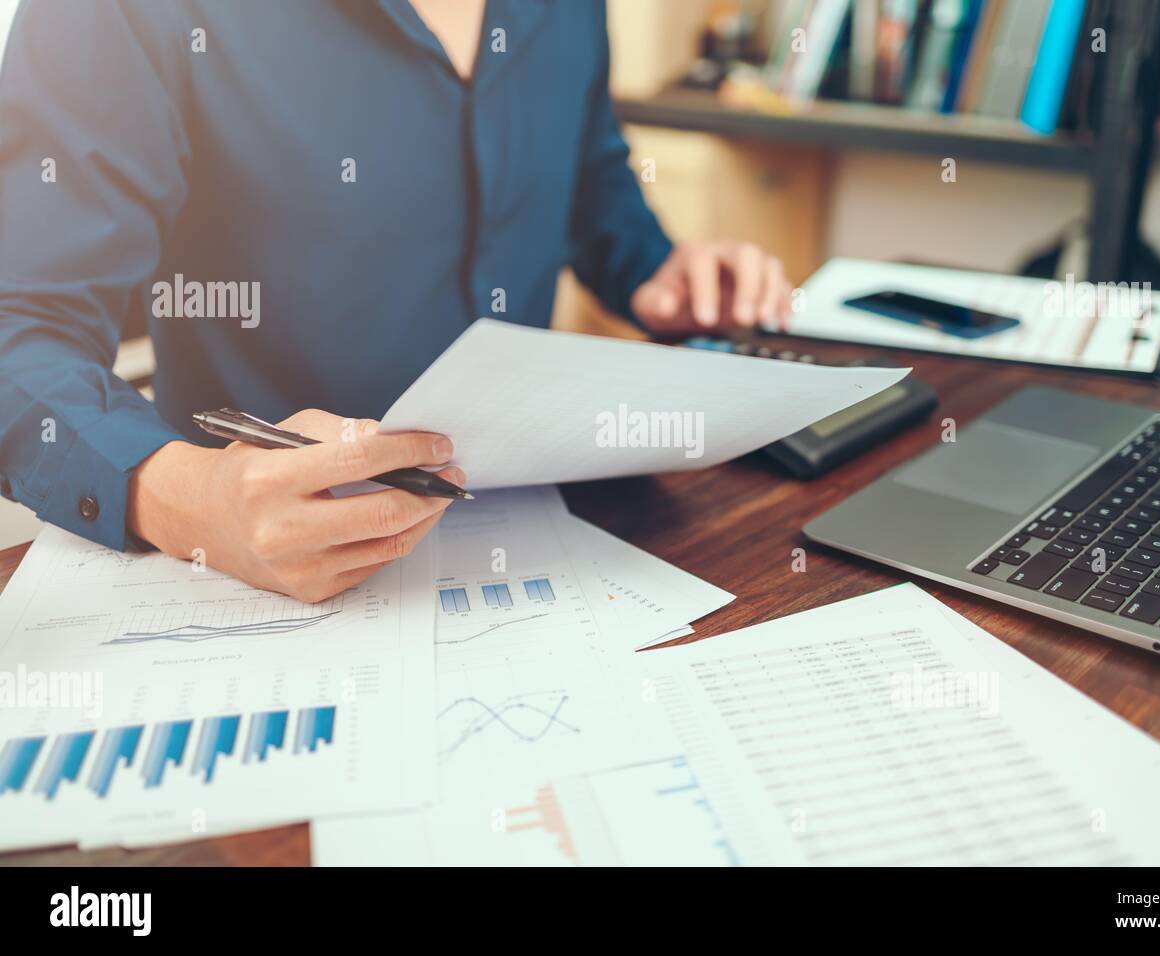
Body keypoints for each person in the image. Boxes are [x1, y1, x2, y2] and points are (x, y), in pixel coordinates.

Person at [0, 0, 793, 602]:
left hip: (556, 546)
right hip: (270, 586)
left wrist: (657, 272)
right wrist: (184, 499)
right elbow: (18, 330)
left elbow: (590, 177)